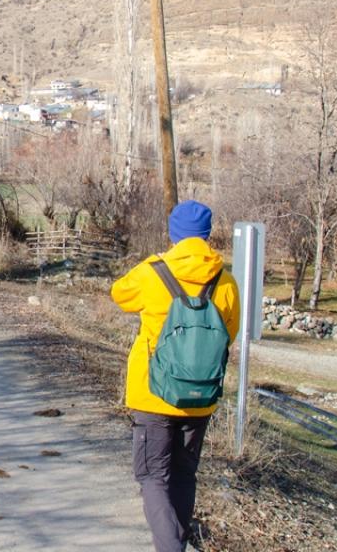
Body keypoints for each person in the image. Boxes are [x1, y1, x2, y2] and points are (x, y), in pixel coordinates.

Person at [110, 200, 240, 552]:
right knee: (184, 475)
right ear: (207, 236)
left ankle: (170, 548)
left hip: (152, 395)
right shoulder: (225, 281)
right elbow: (230, 332)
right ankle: (177, 542)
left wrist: (155, 261)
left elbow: (118, 293)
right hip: (199, 398)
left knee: (152, 476)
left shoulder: (153, 272)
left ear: (174, 234)